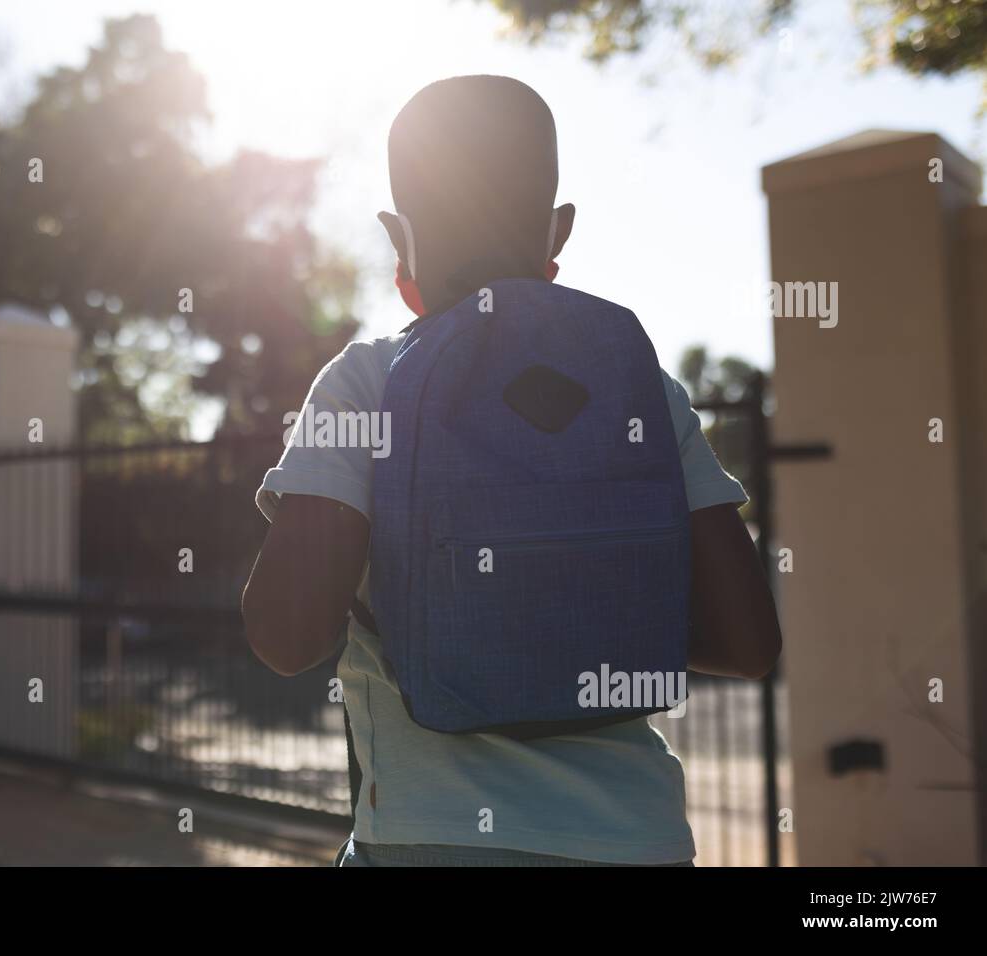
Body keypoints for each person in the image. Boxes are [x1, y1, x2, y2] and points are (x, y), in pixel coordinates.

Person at [241, 75, 781, 867]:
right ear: (557, 230)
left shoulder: (368, 380)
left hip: (429, 838)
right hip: (639, 839)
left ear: (400, 237)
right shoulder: (642, 390)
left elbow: (287, 636)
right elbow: (749, 642)